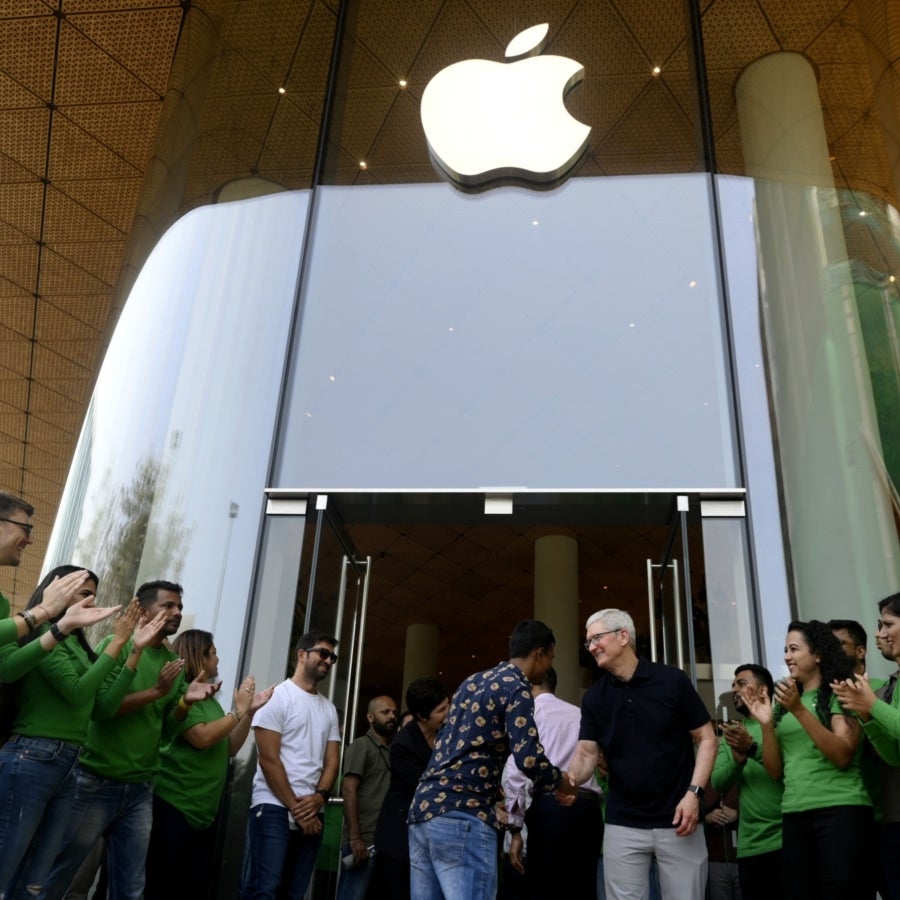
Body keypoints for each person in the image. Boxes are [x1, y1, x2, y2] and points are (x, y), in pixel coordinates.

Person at [37, 580, 216, 900]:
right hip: (96, 780)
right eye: (168, 606)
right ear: (143, 612)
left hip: (140, 788)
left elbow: (167, 734)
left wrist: (184, 703)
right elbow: (104, 709)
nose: (177, 613)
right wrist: (156, 692)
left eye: (180, 608)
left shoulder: (170, 663)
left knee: (131, 886)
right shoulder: (114, 644)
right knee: (63, 875)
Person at [408, 619, 576, 900]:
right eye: (551, 658)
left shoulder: (471, 681)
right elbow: (529, 758)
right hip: (463, 814)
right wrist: (562, 783)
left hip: (423, 811)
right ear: (539, 654)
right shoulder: (517, 687)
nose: (549, 666)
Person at [566, 608, 716, 900]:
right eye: (588, 642)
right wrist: (569, 779)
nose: (591, 647)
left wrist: (694, 794)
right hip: (623, 822)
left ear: (623, 636)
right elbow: (586, 754)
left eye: (597, 638)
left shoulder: (672, 681)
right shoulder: (594, 697)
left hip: (680, 818)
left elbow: (707, 738)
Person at [0, 566, 130, 898]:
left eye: (93, 594)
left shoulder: (79, 646)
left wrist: (134, 653)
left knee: (35, 879)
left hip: (69, 762)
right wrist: (116, 644)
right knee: (7, 861)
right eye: (82, 592)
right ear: (55, 591)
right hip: (34, 756)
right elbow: (76, 692)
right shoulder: (39, 633)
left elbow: (102, 707)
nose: (91, 600)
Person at [741, 620, 871, 900]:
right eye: (785, 649)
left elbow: (842, 755)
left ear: (818, 654)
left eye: (794, 649)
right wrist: (766, 724)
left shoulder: (841, 690)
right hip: (794, 813)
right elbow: (774, 771)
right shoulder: (785, 705)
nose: (787, 656)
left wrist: (800, 710)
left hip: (840, 810)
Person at [144, 629, 273, 899]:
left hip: (203, 814)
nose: (218, 659)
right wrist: (237, 711)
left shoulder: (212, 704)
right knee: (161, 887)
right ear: (199, 658)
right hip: (175, 807)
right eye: (213, 653)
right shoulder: (180, 693)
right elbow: (201, 738)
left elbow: (229, 748)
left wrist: (248, 712)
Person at [241, 630, 341, 900]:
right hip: (273, 806)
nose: (328, 660)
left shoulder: (329, 709)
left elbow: (332, 762)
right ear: (301, 654)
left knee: (294, 894)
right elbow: (268, 759)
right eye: (323, 653)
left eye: (332, 657)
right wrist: (298, 810)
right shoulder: (277, 696)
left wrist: (319, 798)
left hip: (311, 810)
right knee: (264, 889)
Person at [502, 666, 603, 899]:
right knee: (583, 888)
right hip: (588, 808)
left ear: (531, 686)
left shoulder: (528, 715)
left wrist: (515, 828)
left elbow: (515, 771)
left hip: (550, 809)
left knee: (545, 888)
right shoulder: (580, 713)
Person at [832, 595, 900, 900]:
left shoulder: (881, 691)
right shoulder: (893, 685)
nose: (879, 634)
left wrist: (871, 704)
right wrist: (866, 716)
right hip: (893, 819)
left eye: (888, 624)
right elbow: (894, 756)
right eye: (878, 625)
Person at [367, 678, 449, 900]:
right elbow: (422, 788)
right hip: (399, 835)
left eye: (448, 705)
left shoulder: (447, 735)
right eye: (441, 710)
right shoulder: (404, 743)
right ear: (422, 716)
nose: (448, 713)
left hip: (432, 832)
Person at [712, 664, 785, 900]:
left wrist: (751, 748)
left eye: (741, 684)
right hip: (750, 846)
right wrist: (737, 760)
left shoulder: (784, 723)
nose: (734, 689)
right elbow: (718, 782)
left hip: (787, 840)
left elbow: (784, 770)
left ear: (763, 690)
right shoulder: (733, 733)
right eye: (733, 684)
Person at [336, 695, 398, 900]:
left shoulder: (391, 750)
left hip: (383, 841)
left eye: (394, 712)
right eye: (385, 712)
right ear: (370, 717)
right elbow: (348, 789)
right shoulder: (361, 745)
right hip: (362, 841)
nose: (392, 716)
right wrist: (355, 837)